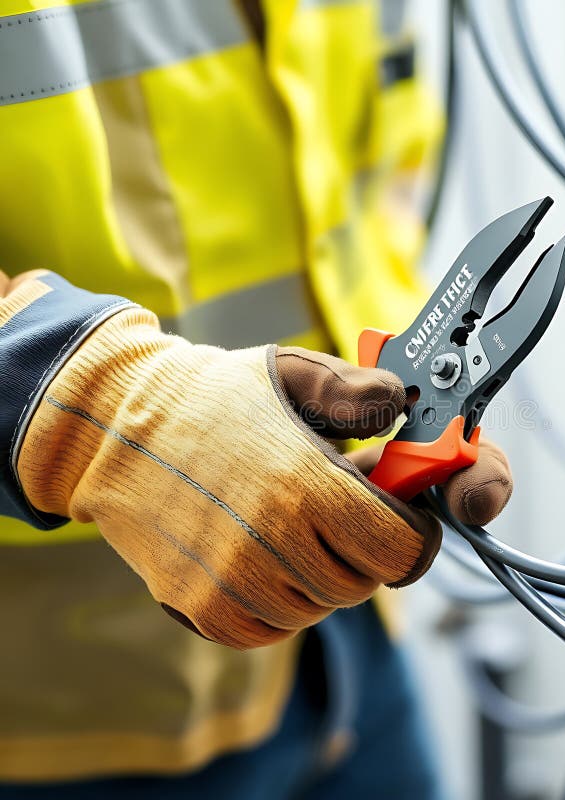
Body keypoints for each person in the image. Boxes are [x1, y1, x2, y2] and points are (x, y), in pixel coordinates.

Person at [0, 1, 513, 797]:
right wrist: (87, 403)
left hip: (348, 629)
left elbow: (370, 191)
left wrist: (411, 407)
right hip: (66, 711)